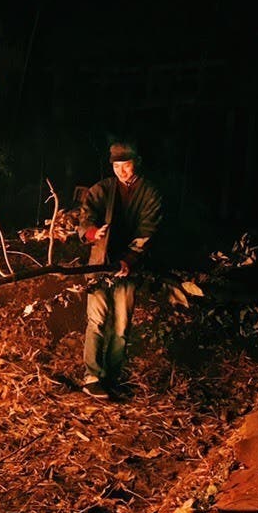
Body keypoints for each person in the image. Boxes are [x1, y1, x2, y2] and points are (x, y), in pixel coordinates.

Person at [77, 141, 162, 399]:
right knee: (96, 321)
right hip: (99, 265)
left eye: (126, 165)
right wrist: (93, 232)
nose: (122, 171)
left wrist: (129, 260)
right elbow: (86, 218)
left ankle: (111, 378)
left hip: (128, 269)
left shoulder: (150, 193)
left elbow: (148, 231)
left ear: (136, 162)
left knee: (122, 325)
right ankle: (91, 378)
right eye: (116, 166)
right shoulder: (102, 189)